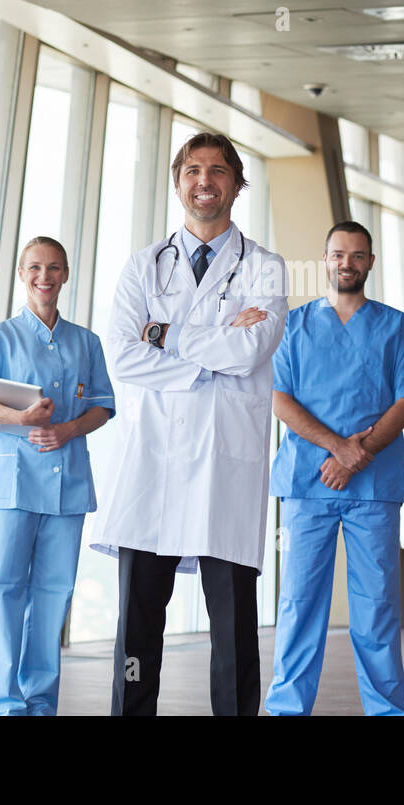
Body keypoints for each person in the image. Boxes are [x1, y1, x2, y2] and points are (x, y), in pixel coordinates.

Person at [90, 131, 287, 716]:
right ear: (178, 181)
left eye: (219, 170)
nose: (205, 180)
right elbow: (121, 355)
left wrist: (166, 335)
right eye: (193, 170)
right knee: (138, 626)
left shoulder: (266, 267)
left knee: (232, 626)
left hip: (224, 460)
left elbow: (251, 351)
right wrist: (210, 356)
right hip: (153, 459)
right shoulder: (143, 265)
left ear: (237, 183)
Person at [265, 220, 404, 716]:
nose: (347, 263)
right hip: (308, 481)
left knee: (377, 608)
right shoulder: (294, 326)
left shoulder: (396, 326)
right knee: (300, 604)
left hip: (374, 486)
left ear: (370, 262)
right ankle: (286, 709)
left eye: (357, 255)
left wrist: (356, 455)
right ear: (325, 260)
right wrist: (338, 449)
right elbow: (279, 398)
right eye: (338, 254)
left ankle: (386, 710)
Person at [0, 236, 114, 715]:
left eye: (53, 268)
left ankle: (40, 702)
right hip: (12, 486)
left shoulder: (86, 342)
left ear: (65, 274)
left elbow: (104, 406)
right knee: (5, 591)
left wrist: (68, 428)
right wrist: (19, 420)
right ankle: (3, 705)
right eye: (34, 268)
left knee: (53, 595)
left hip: (66, 487)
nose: (43, 277)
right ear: (21, 274)